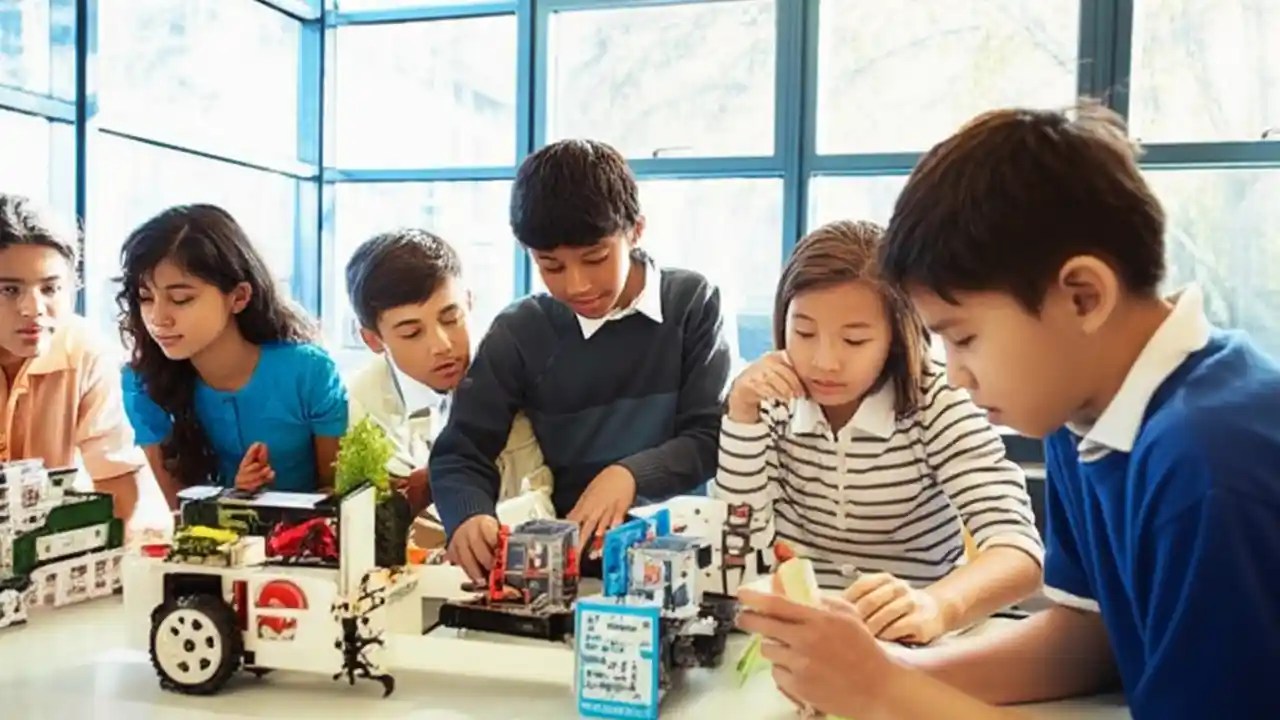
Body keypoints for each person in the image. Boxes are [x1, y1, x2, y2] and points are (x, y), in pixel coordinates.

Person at [736, 102, 1280, 720]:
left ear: (1083, 296)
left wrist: (889, 694)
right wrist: (888, 669)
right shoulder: (1082, 414)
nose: (957, 374)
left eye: (964, 338)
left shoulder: (1209, 464)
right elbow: (1090, 638)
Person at [716, 219, 1042, 645]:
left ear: (896, 337)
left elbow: (1019, 553)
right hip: (795, 638)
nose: (824, 362)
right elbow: (737, 553)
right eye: (804, 333)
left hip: (911, 643)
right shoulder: (769, 394)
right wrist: (742, 416)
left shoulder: (938, 400)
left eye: (854, 340)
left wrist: (938, 606)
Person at [430, 139, 732, 580]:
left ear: (635, 230)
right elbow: (461, 450)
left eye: (595, 259)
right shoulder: (521, 331)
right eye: (551, 266)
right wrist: (470, 514)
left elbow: (710, 436)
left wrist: (630, 475)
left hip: (680, 564)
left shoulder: (692, 303)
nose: (577, 286)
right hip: (567, 573)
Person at [118, 204, 348, 505]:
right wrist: (234, 497)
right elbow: (181, 510)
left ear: (238, 297)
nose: (158, 318)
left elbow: (338, 494)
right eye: (146, 298)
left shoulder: (309, 372)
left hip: (311, 540)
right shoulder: (143, 383)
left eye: (180, 299)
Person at [343, 227, 552, 521]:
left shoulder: (509, 375)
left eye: (451, 318)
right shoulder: (358, 405)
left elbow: (538, 498)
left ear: (469, 301)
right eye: (412, 333)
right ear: (373, 340)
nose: (441, 345)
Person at [0, 193, 150, 524]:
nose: (33, 309)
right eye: (9, 290)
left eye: (50, 289)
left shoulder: (86, 351)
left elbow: (116, 482)